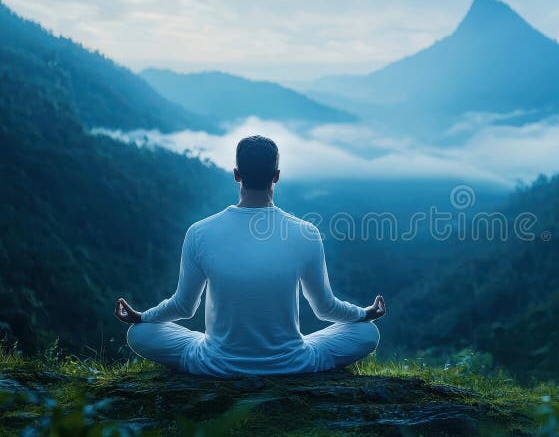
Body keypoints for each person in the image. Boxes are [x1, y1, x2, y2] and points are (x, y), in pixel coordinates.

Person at [114, 135, 386, 376]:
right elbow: (325, 308)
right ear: (276, 175)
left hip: (216, 363)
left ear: (236, 174)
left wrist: (142, 316)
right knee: (366, 332)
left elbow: (183, 308)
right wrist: (364, 313)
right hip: (291, 362)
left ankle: (212, 349)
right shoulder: (306, 232)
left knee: (140, 333)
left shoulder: (200, 232)